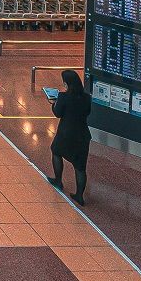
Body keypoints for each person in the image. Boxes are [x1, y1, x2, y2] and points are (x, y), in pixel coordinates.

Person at [50, 69, 93, 204]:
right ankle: (79, 195)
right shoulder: (86, 97)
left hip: (66, 134)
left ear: (66, 84)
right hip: (82, 135)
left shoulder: (63, 97)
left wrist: (53, 104)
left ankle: (58, 180)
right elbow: (87, 112)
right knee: (80, 166)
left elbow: (58, 113)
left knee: (56, 151)